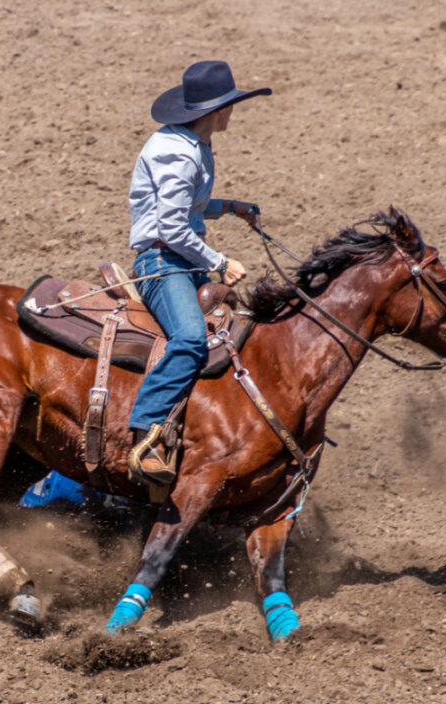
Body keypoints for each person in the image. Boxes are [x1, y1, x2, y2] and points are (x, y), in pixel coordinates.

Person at [127, 60, 271, 485]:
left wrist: (227, 206)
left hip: (180, 260)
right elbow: (170, 227)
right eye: (229, 105)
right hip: (163, 263)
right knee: (191, 341)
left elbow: (184, 205)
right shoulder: (180, 153)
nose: (232, 113)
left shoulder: (193, 143)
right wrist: (219, 262)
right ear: (216, 110)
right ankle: (145, 433)